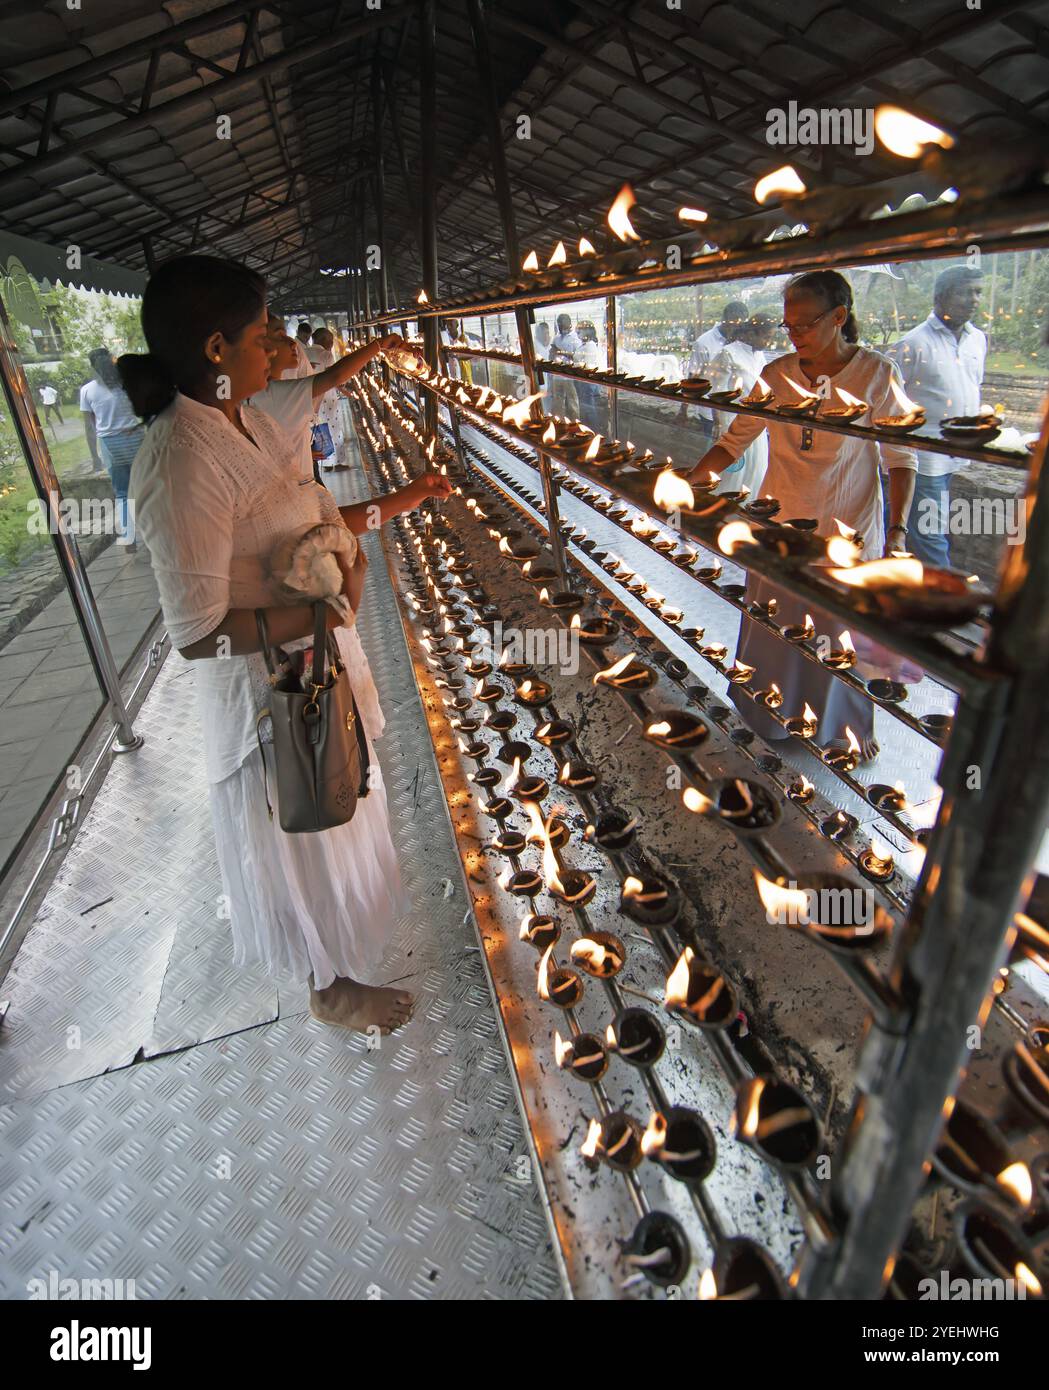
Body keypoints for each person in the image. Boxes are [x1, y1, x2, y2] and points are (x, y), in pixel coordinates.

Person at [120, 255, 451, 1035]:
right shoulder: (181, 462)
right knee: (303, 835)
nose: (276, 346)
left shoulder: (254, 421)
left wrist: (376, 525)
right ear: (215, 348)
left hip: (317, 663)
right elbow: (196, 632)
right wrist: (320, 618)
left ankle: (343, 954)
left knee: (340, 813)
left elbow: (306, 516)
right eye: (262, 331)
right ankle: (327, 986)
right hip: (273, 699)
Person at [687, 270, 917, 761]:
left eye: (805, 324)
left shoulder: (877, 374)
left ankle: (842, 730)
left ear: (839, 316)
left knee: (838, 636)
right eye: (789, 326)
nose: (794, 335)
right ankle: (769, 717)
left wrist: (897, 532)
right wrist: (689, 483)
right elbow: (734, 440)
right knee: (776, 623)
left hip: (847, 528)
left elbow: (901, 459)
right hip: (778, 525)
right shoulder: (775, 375)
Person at [888, 266, 986, 567]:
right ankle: (940, 600)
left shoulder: (977, 339)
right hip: (923, 458)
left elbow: (973, 385)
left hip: (957, 455)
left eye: (978, 292)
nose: (973, 300)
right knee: (928, 534)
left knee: (933, 527)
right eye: (965, 292)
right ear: (941, 297)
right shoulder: (912, 344)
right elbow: (890, 402)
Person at [248, 315, 402, 483]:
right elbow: (335, 375)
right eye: (280, 336)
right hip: (297, 486)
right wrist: (379, 345)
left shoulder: (265, 395)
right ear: (262, 348)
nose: (293, 343)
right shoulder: (275, 395)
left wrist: (304, 450)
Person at [80, 347, 144, 546]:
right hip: (136, 439)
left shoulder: (87, 391)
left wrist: (95, 457)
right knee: (146, 487)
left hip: (110, 445)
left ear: (93, 367)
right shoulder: (126, 385)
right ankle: (159, 531)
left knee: (123, 493)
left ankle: (129, 535)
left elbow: (90, 428)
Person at [708, 312, 775, 496]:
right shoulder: (728, 354)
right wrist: (720, 425)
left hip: (756, 425)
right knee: (732, 478)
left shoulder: (759, 356)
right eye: (765, 337)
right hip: (732, 424)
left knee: (755, 473)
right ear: (751, 334)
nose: (767, 342)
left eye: (770, 338)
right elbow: (716, 392)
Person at [685, 300, 748, 440]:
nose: (737, 327)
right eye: (733, 323)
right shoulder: (704, 343)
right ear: (724, 319)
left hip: (734, 412)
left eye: (740, 324)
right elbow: (692, 377)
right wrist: (683, 410)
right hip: (709, 413)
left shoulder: (741, 342)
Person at [574, 320, 606, 433]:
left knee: (589, 409)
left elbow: (587, 365)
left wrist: (575, 366)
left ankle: (594, 431)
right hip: (581, 381)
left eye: (580, 330)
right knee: (585, 407)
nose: (577, 332)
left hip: (587, 381)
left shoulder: (590, 346)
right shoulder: (583, 345)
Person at [549, 314, 581, 419]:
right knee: (557, 401)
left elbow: (577, 357)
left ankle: (575, 423)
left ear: (568, 324)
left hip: (569, 376)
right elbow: (551, 353)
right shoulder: (556, 338)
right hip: (557, 375)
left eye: (562, 324)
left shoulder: (575, 338)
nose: (560, 327)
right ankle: (559, 422)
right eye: (559, 325)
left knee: (572, 402)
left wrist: (561, 352)